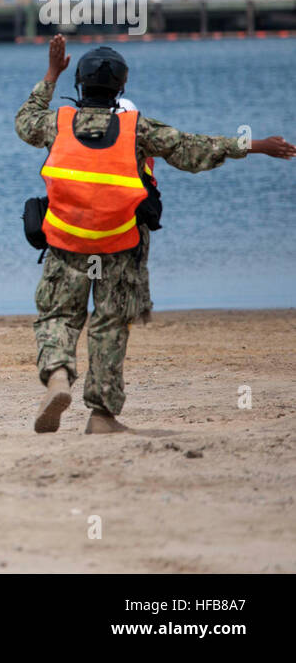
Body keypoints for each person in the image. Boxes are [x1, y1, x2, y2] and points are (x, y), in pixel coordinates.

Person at [16, 36, 294, 434]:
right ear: (121, 89)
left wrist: (50, 74)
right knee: (110, 324)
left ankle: (58, 376)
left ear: (78, 85)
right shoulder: (137, 129)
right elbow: (195, 148)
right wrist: (255, 145)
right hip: (119, 244)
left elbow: (25, 119)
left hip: (66, 242)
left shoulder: (57, 124)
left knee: (59, 316)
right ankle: (101, 418)